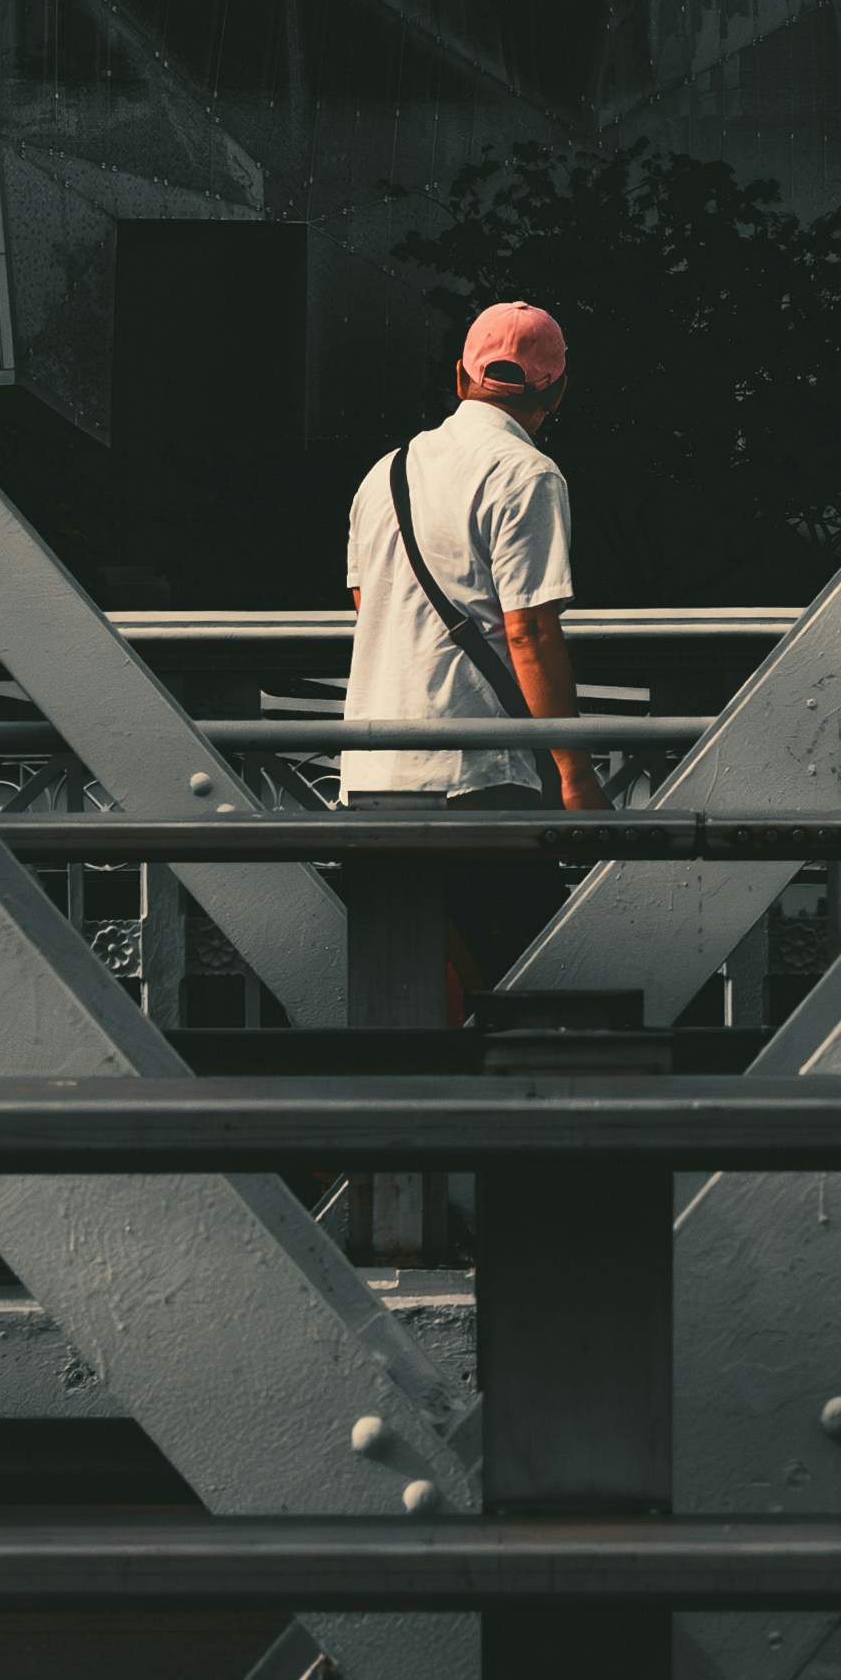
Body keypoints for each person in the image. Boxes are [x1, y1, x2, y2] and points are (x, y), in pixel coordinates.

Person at [336, 303, 590, 1132]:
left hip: (371, 771)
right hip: (476, 776)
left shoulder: (386, 472)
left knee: (414, 996)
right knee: (529, 988)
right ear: (555, 391)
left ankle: (403, 1186)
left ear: (460, 376)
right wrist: (573, 774)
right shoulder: (527, 475)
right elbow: (527, 628)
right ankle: (517, 1184)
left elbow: (364, 604)